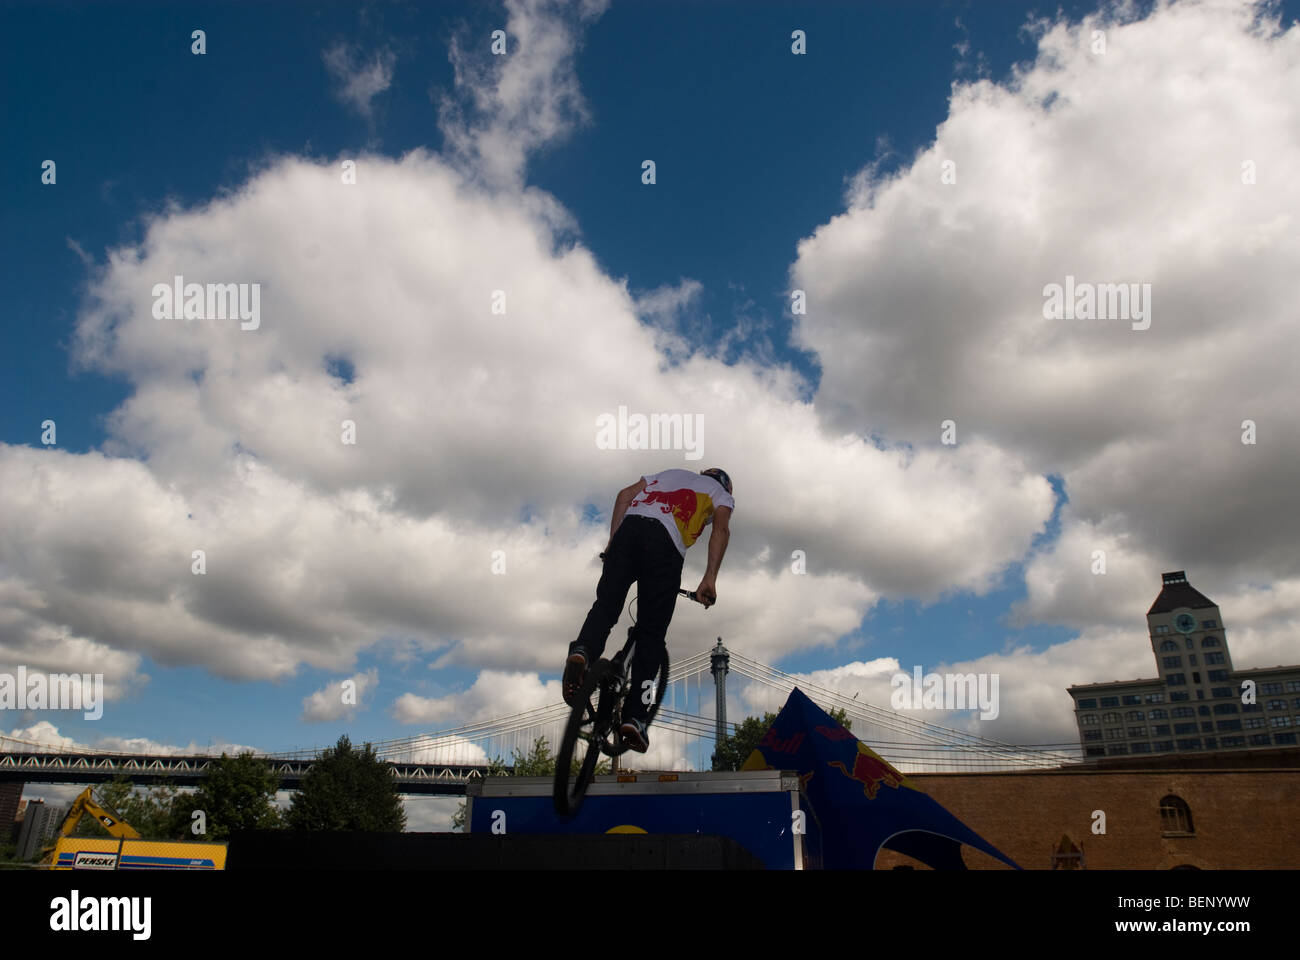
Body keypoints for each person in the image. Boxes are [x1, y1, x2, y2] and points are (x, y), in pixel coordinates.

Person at [563, 467, 734, 752]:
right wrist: (709, 579)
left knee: (606, 605)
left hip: (628, 533)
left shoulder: (667, 474)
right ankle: (635, 717)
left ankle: (582, 651)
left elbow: (624, 496)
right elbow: (721, 529)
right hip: (664, 549)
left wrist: (613, 543)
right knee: (651, 637)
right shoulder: (721, 495)